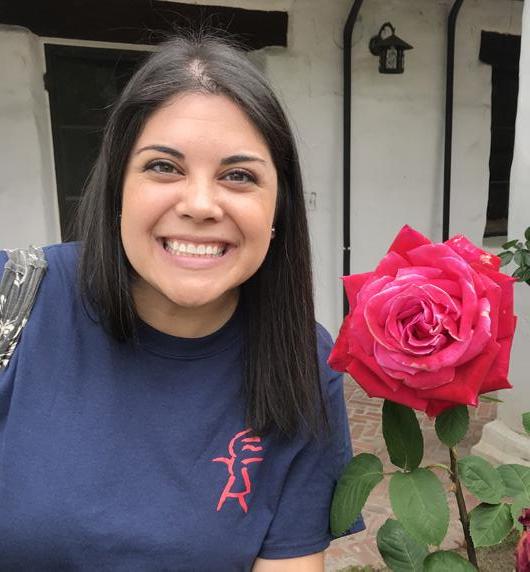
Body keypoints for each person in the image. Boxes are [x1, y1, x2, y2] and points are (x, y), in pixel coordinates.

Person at [0, 35, 364, 571]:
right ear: (117, 188)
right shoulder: (17, 303)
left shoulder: (302, 365)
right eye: (163, 167)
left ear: (277, 208)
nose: (199, 205)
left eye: (238, 176)